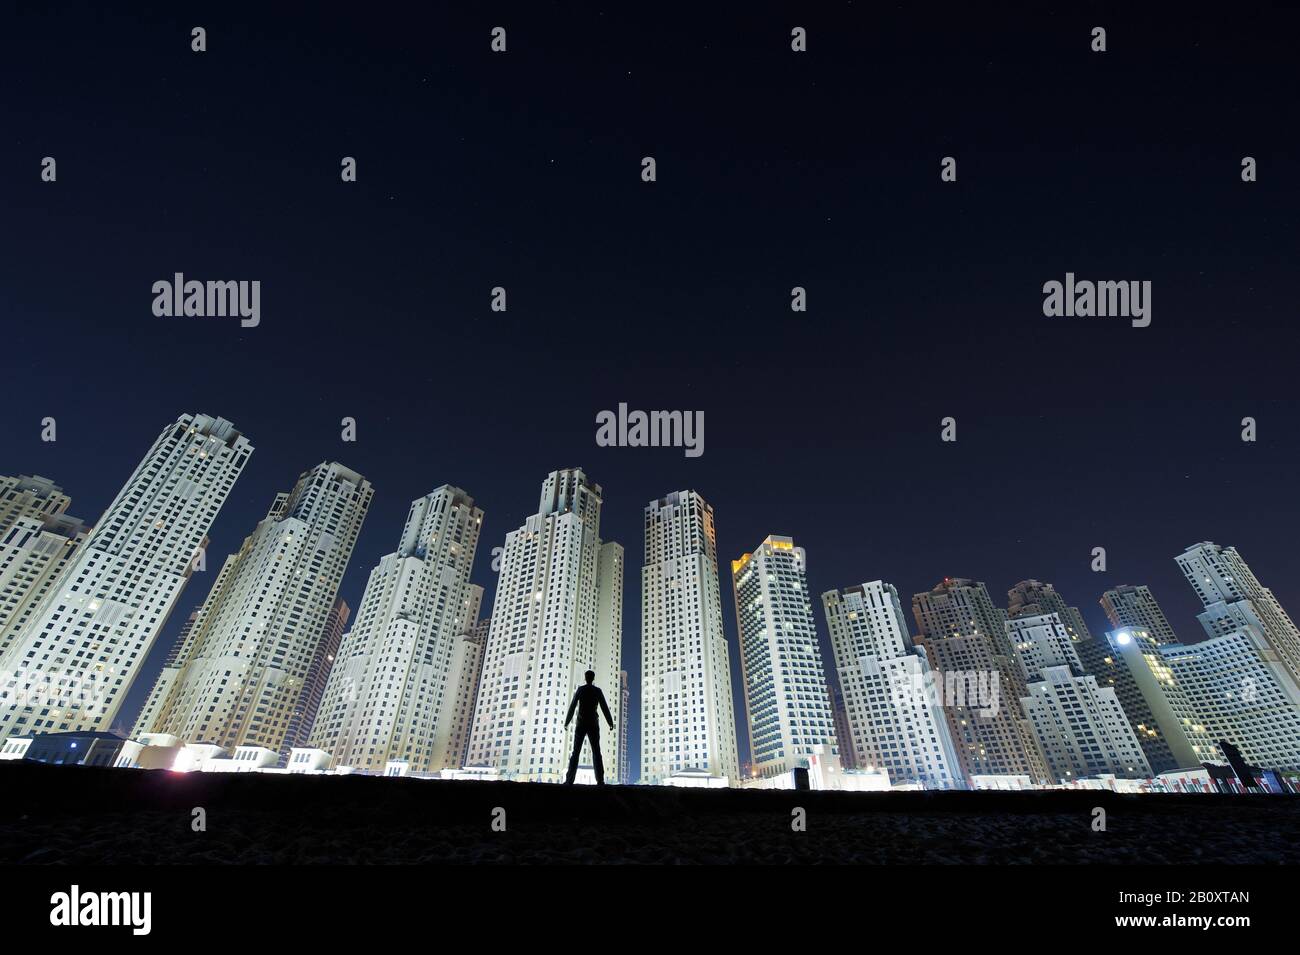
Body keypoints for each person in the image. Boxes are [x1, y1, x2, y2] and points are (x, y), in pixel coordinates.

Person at [563, 669, 615, 785]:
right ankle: (600, 780)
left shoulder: (581, 690)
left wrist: (567, 722)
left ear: (586, 678)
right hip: (593, 723)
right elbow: (604, 707)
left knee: (576, 752)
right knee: (596, 752)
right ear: (593, 678)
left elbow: (572, 707)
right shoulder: (597, 691)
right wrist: (610, 722)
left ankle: (569, 780)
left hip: (581, 723)